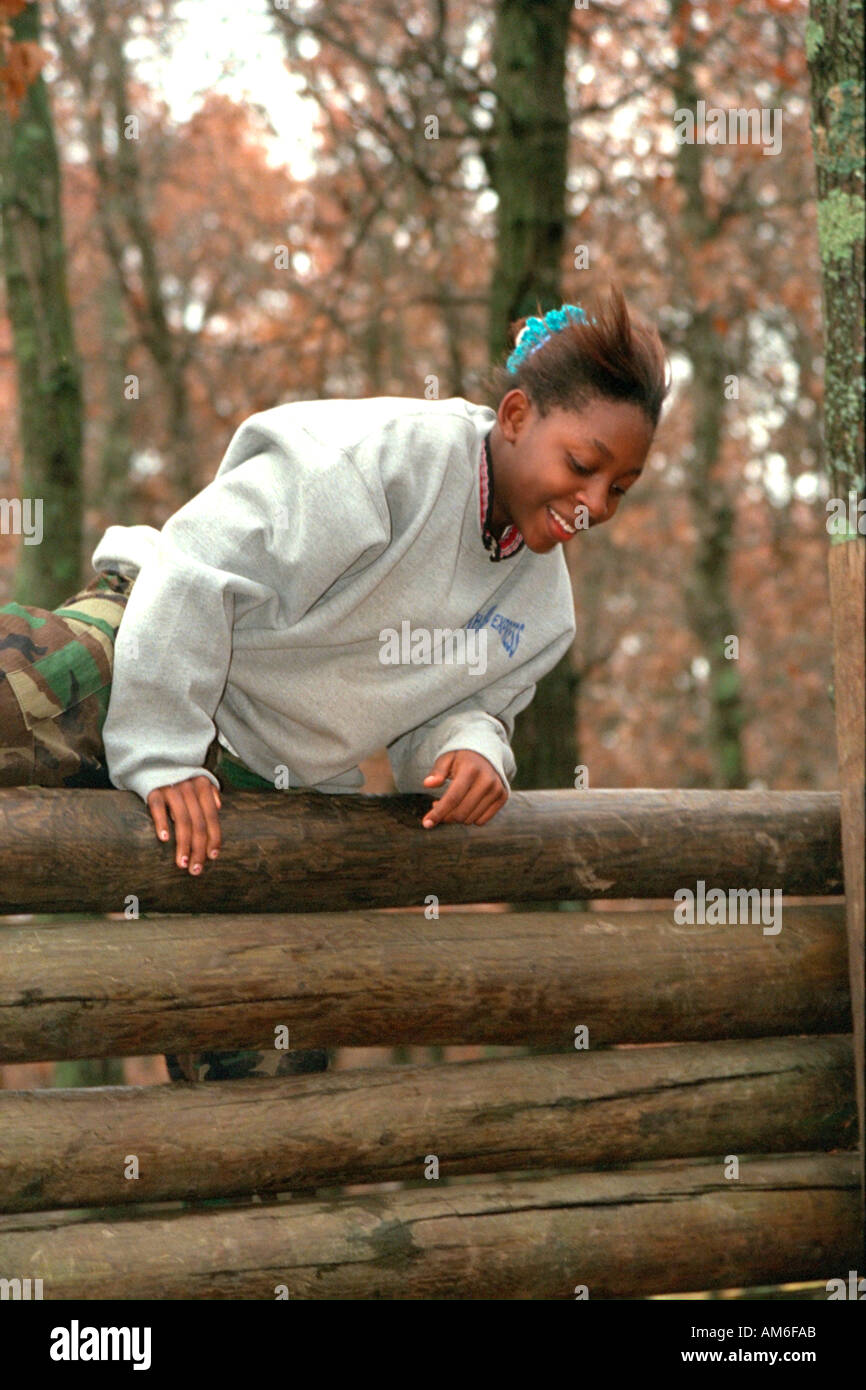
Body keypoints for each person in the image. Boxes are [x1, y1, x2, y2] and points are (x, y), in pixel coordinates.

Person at [0, 285, 669, 1087]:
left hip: (262, 781)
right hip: (142, 657)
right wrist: (163, 753)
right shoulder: (385, 460)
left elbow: (459, 708)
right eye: (585, 467)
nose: (595, 505)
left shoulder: (543, 609)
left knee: (273, 1070)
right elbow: (199, 562)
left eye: (620, 489)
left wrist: (468, 750)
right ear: (518, 417)